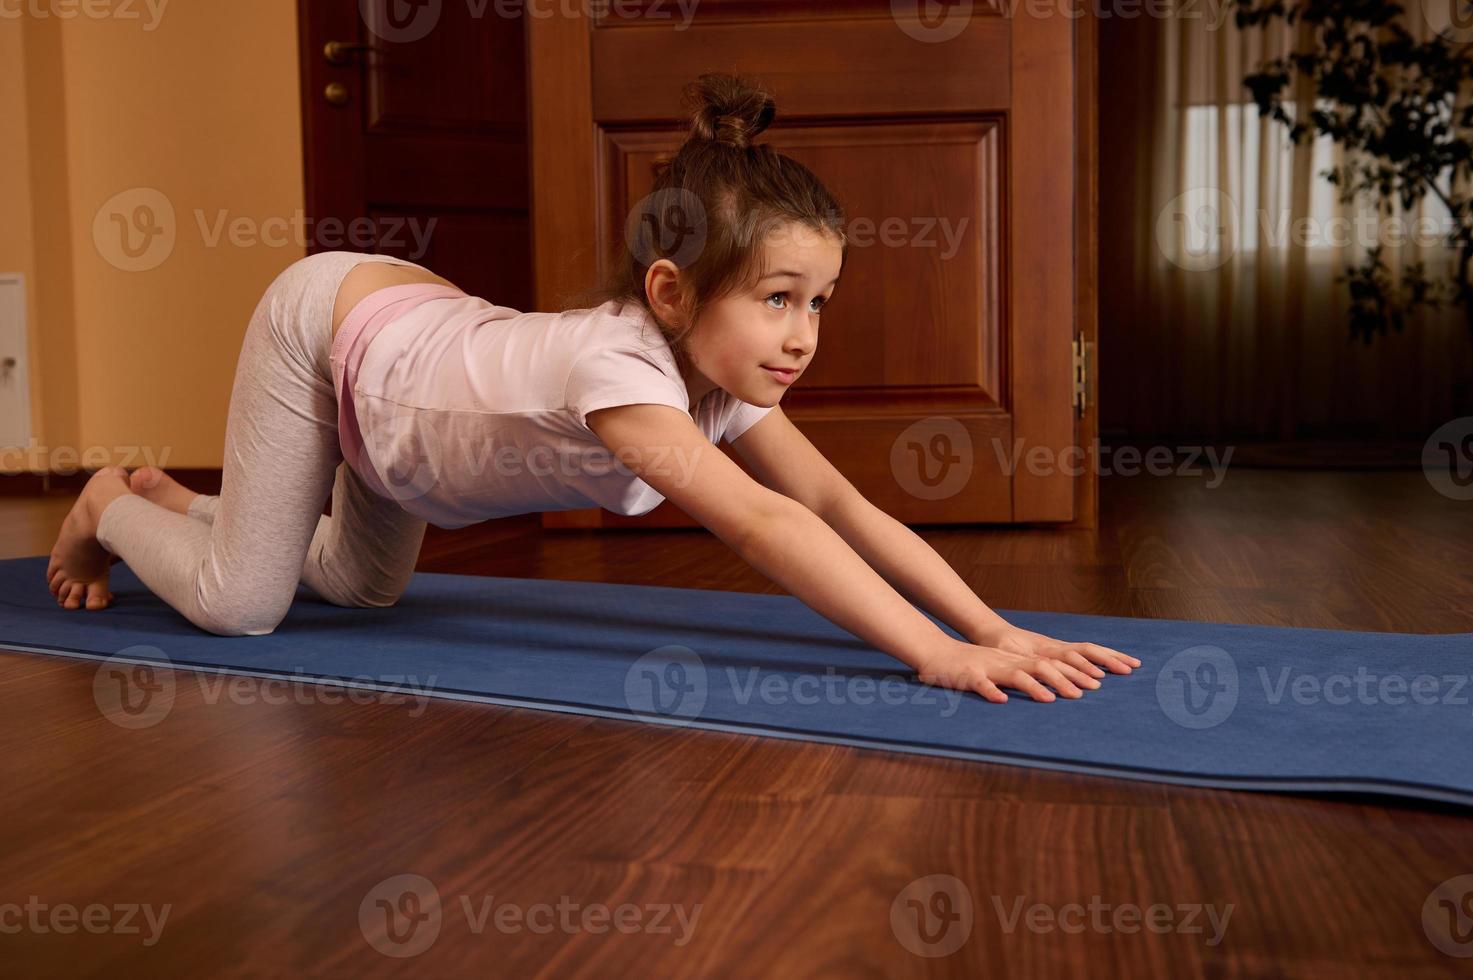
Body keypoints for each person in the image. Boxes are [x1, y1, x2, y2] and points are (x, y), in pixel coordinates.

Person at [45, 72, 1140, 703]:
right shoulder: (619, 369)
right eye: (778, 298)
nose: (803, 333)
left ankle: (193, 508)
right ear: (670, 289)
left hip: (409, 387)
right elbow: (761, 522)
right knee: (248, 607)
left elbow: (838, 507)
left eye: (821, 302)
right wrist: (932, 656)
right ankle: (112, 504)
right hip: (330, 334)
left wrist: (993, 627)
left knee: (358, 587)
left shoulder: (724, 372)